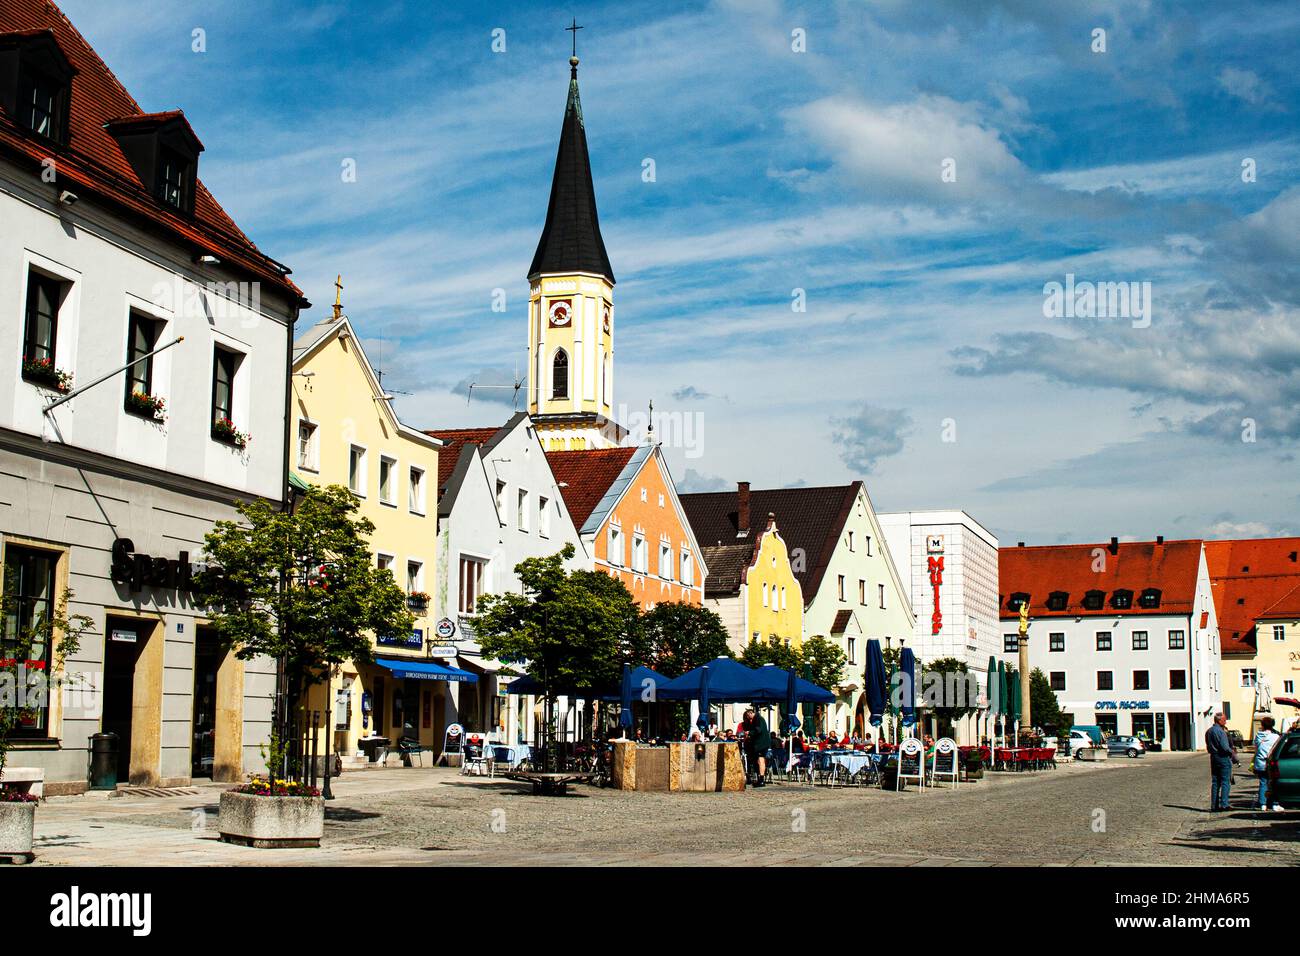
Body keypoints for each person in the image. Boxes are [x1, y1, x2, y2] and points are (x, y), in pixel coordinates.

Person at [1205, 712, 1239, 811]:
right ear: (1219, 720)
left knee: (1215, 782)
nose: (1226, 722)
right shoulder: (1221, 732)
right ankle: (1224, 804)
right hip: (1222, 757)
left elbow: (1208, 745)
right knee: (1225, 781)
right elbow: (1224, 747)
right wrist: (1232, 752)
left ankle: (1214, 805)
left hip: (1213, 757)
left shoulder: (1209, 731)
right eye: (1224, 720)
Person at [1252, 717, 1283, 811]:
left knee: (1263, 783)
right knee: (1273, 784)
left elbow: (1256, 746)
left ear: (1262, 725)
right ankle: (1274, 803)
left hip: (1260, 763)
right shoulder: (1275, 737)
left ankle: (1262, 804)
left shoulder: (1258, 735)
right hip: (1270, 763)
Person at [743, 708, 772, 787]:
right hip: (761, 743)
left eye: (747, 716)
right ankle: (760, 779)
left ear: (750, 713)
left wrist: (749, 732)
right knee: (759, 760)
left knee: (760, 760)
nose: (748, 718)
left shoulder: (758, 719)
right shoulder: (758, 719)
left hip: (761, 744)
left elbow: (758, 730)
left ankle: (761, 780)